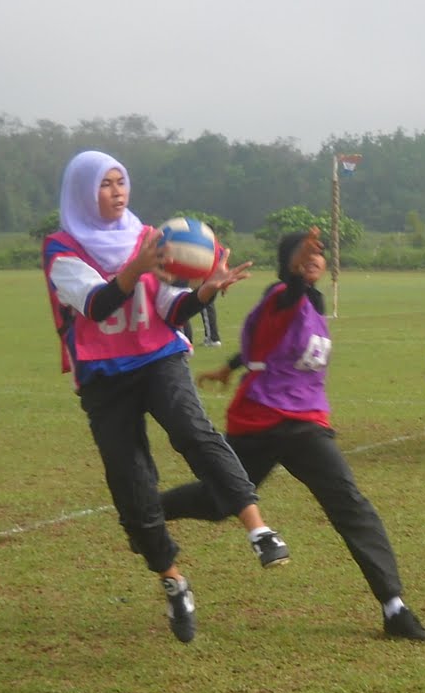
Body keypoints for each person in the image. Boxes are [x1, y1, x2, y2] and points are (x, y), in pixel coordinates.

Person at [42, 150, 289, 644]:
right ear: (83, 193)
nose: (117, 192)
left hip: (158, 357)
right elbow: (96, 304)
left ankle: (260, 531)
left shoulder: (148, 236)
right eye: (106, 185)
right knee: (131, 488)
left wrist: (203, 293)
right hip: (104, 379)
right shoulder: (61, 249)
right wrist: (135, 266)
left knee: (192, 429)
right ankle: (173, 579)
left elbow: (167, 309)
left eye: (122, 182)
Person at [161, 227, 425, 641]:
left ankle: (393, 607)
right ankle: (151, 509)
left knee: (348, 504)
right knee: (219, 501)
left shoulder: (309, 303)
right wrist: (295, 271)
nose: (314, 260)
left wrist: (229, 367)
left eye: (318, 256)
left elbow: (269, 342)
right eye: (305, 256)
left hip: (303, 423)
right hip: (262, 419)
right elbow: (283, 302)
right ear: (290, 265)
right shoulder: (282, 295)